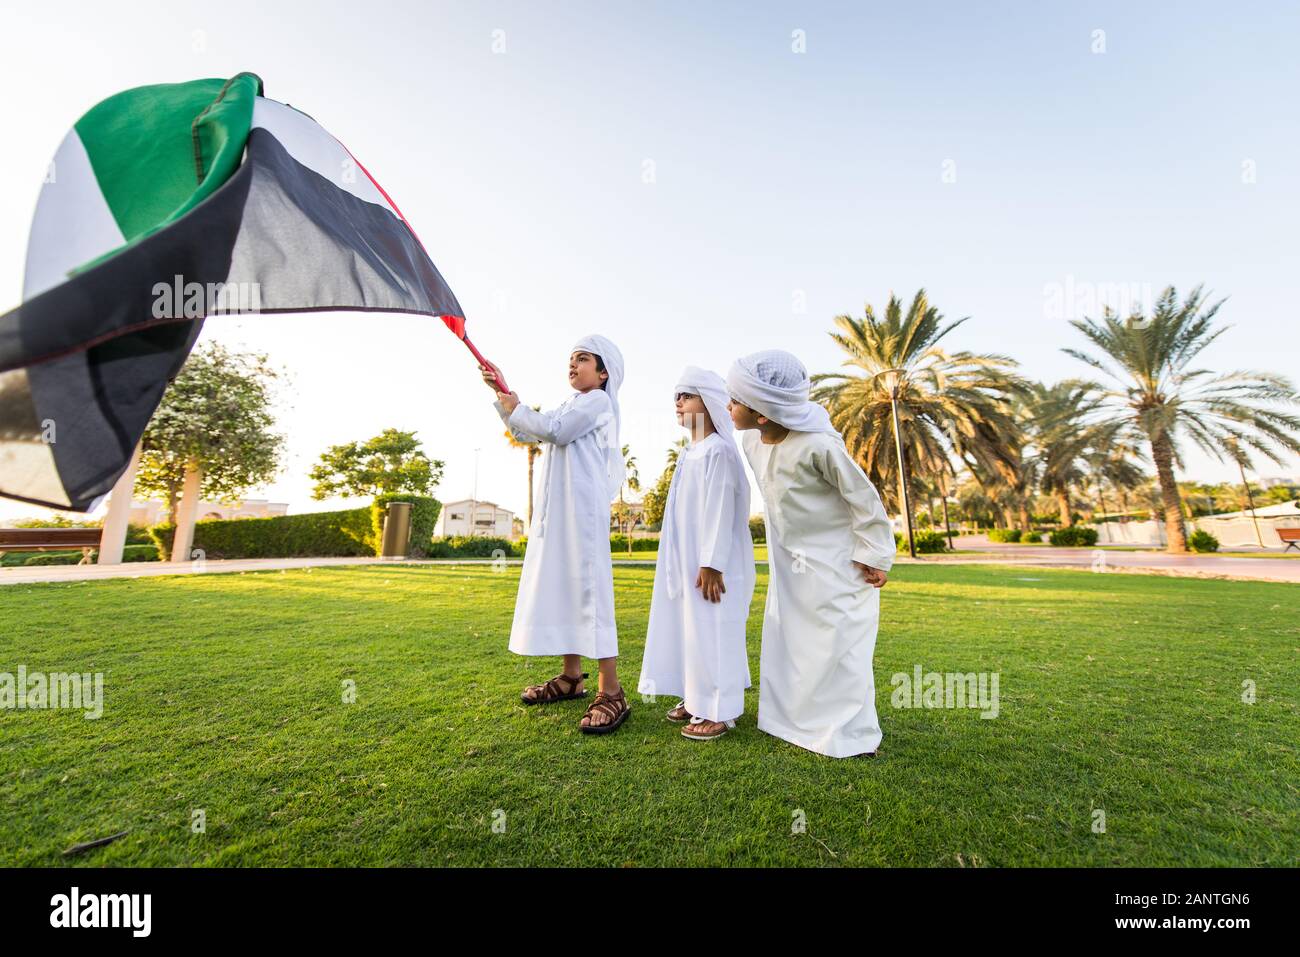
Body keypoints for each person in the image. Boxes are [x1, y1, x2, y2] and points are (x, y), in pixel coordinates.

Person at [726, 349, 895, 758]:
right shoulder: (750, 440)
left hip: (837, 564)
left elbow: (863, 499)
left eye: (734, 400)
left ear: (762, 412)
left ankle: (851, 736)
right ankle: (792, 724)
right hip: (790, 564)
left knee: (840, 646)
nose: (726, 405)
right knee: (793, 644)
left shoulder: (819, 445)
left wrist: (874, 553)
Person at [480, 334, 631, 734]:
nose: (573, 364)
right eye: (570, 359)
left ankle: (611, 692)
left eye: (583, 359)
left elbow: (555, 430)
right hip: (559, 516)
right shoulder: (572, 404)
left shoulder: (597, 402)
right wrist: (503, 394)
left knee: (591, 595)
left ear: (603, 374)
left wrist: (516, 404)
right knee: (567, 590)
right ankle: (571, 679)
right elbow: (531, 433)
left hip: (582, 517)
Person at [637, 367, 755, 741]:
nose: (677, 402)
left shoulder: (719, 451)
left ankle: (719, 711)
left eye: (686, 395)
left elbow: (720, 510)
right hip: (689, 561)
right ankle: (696, 697)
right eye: (676, 396)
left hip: (712, 567)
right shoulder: (691, 454)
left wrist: (712, 562)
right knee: (692, 631)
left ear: (710, 402)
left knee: (714, 630)